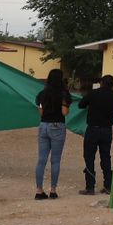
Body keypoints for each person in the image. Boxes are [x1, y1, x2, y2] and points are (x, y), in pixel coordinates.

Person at [76, 74, 113, 195]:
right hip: (107, 130)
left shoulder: (93, 94)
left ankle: (90, 187)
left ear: (101, 82)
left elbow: (81, 105)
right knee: (106, 157)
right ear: (112, 84)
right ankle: (108, 186)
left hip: (93, 129)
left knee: (89, 157)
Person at [33, 69, 69, 200]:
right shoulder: (64, 93)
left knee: (41, 160)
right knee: (55, 160)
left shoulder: (42, 94)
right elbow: (64, 112)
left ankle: (39, 190)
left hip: (43, 126)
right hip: (57, 126)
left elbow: (41, 113)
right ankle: (53, 190)